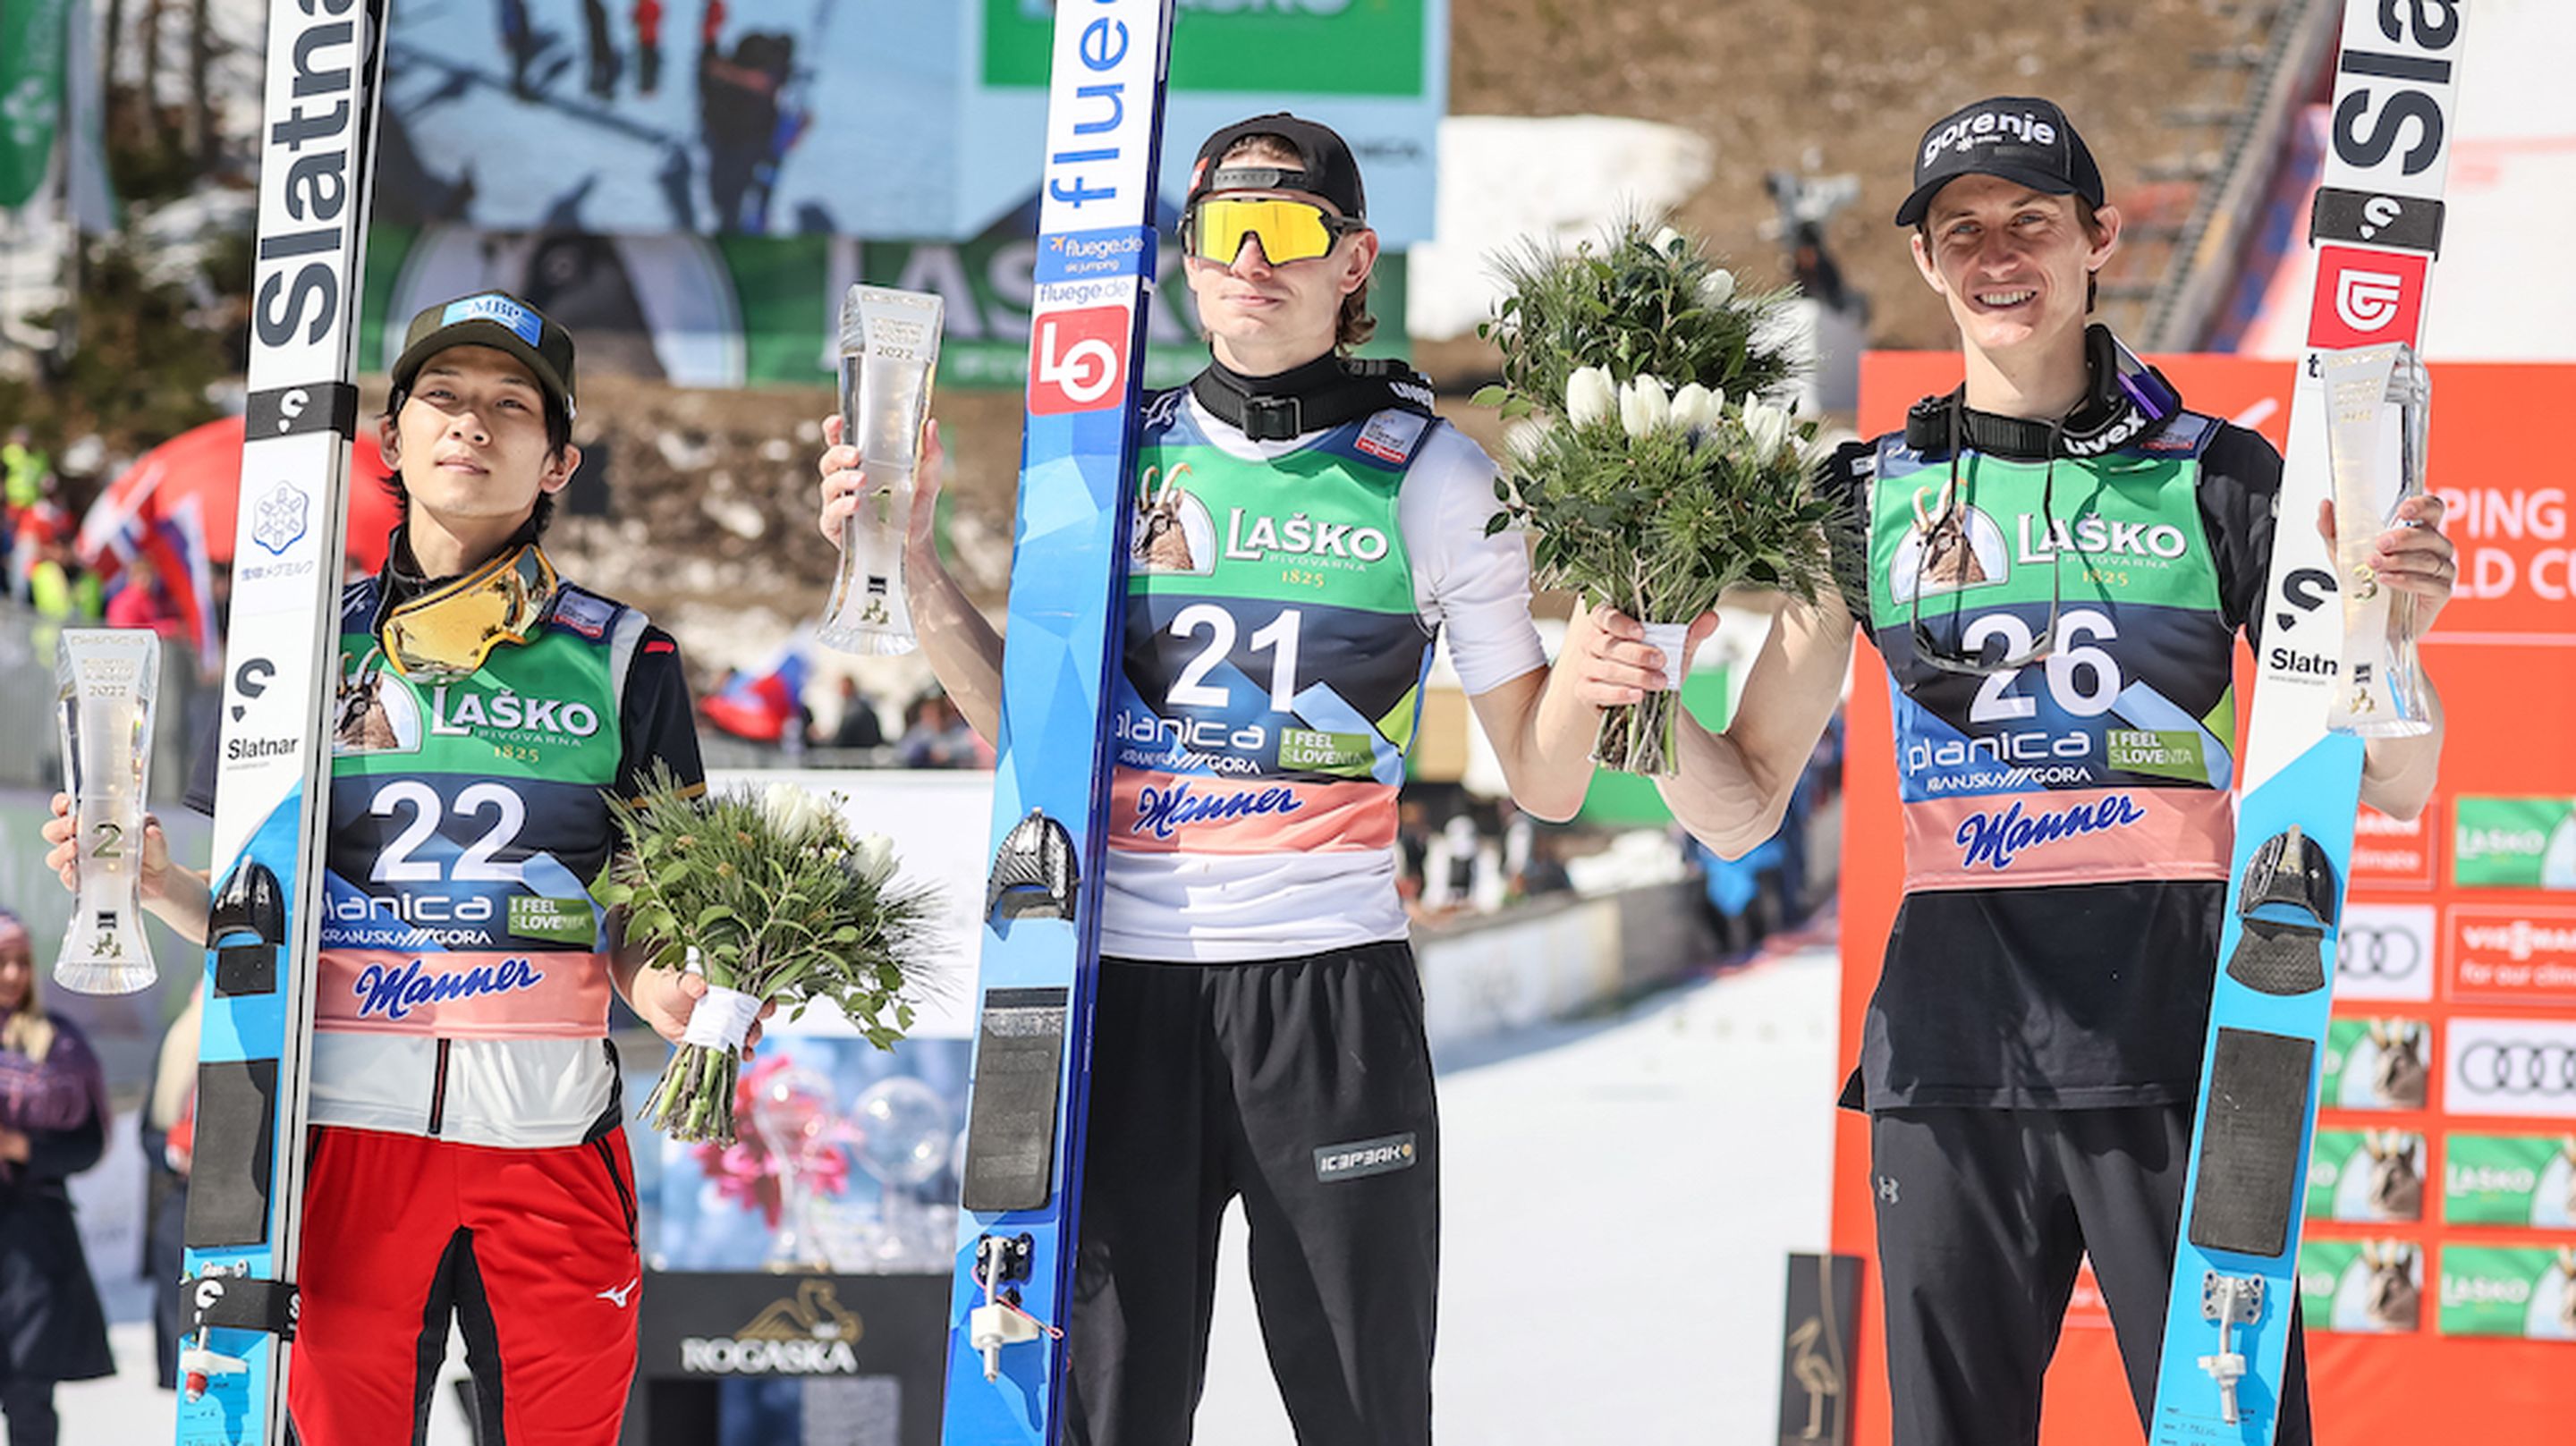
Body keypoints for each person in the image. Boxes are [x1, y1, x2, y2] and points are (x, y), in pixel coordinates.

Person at [1569, 97, 2454, 1446]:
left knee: (2237, 1428)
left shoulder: (2223, 479)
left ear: (2099, 237)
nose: (1996, 254)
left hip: (2186, 1050)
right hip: (1950, 1056)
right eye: (1960, 228)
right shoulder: (1863, 496)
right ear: (1924, 261)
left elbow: (2395, 778)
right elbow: (1743, 801)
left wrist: (2394, 632)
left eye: (2030, 221)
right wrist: (1639, 706)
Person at [817, 114, 1601, 1446]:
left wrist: (1609, 647)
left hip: (1329, 991)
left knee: (1363, 1408)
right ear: (1181, 258)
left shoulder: (1439, 476)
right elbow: (1034, 727)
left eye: (1290, 227)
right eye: (1220, 229)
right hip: (1121, 990)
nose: (1251, 257)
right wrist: (908, 556)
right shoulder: (1104, 453)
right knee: (1108, 1409)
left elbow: (1543, 777)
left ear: (1354, 259)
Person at [43, 292, 729, 1446]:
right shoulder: (295, 647)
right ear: (391, 439)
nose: (474, 423)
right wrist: (153, 882)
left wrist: (662, 981)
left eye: (513, 406)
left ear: (556, 459)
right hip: (342, 1143)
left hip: (549, 1140)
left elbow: (648, 915)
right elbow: (267, 924)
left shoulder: (627, 657)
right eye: (445, 398)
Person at [0, 909, 116, 1446]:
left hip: (34, 1251)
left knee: (30, 1398)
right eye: (2, 963)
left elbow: (87, 1144)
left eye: (22, 963)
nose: (13, 976)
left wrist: (19, 1146)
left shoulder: (56, 1042)